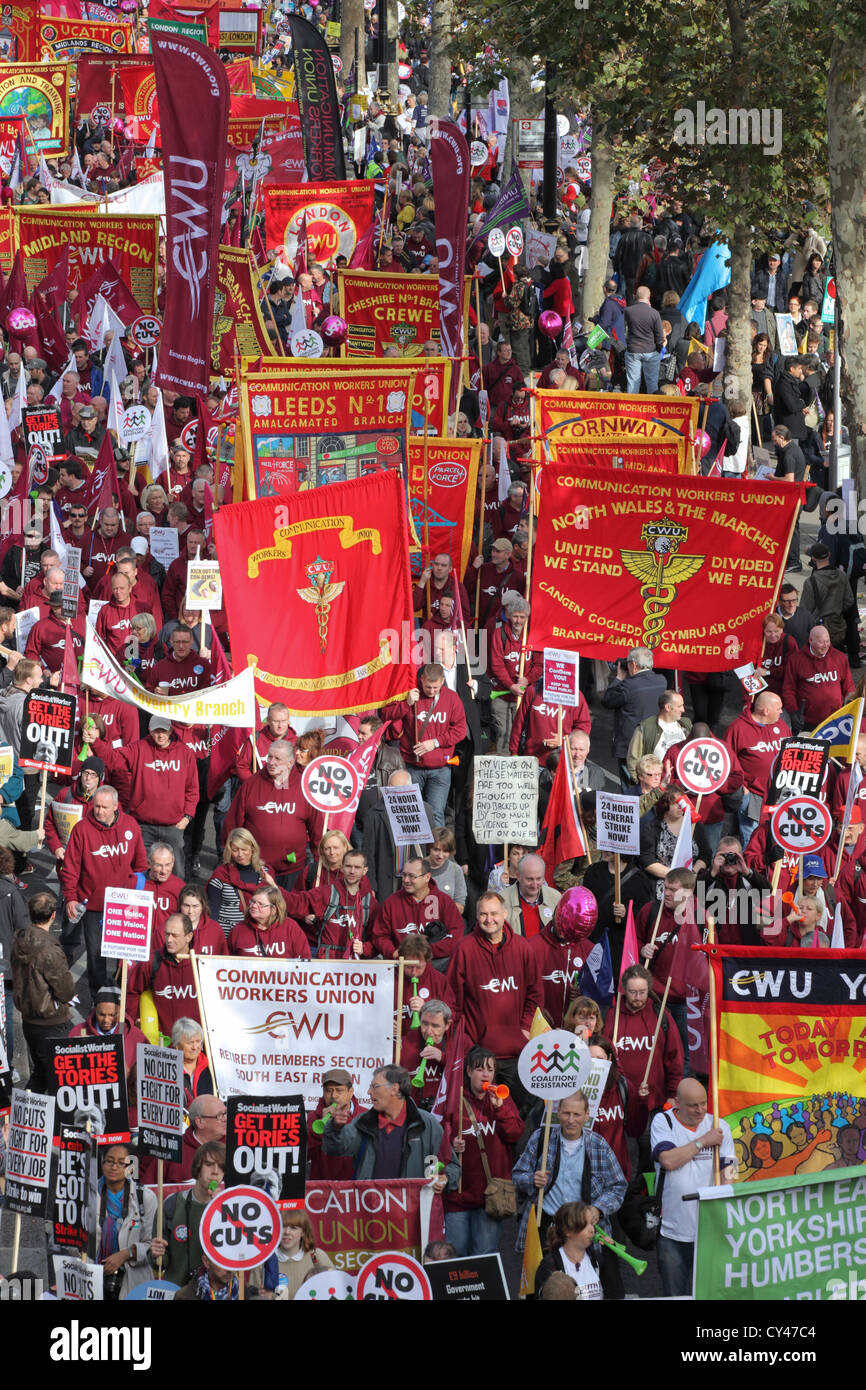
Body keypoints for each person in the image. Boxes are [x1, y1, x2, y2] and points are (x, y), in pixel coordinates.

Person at [513, 1090, 628, 1293]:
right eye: (566, 1113)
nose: (571, 1120)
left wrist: (598, 1209)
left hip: (585, 1229)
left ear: (586, 1116)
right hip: (548, 1229)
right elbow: (518, 1175)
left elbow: (618, 1186)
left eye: (577, 1115)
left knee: (596, 1287)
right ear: (558, 1113)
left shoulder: (598, 1145)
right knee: (545, 1289)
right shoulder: (542, 1138)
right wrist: (532, 1179)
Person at [447, 890, 543, 1105]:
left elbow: (535, 993)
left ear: (505, 914)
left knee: (517, 1115)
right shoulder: (464, 949)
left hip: (515, 1054)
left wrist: (526, 1026)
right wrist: (467, 1044)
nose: (489, 919)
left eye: (494, 913)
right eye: (483, 914)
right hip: (479, 1056)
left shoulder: (522, 948)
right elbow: (452, 1000)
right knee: (481, 1119)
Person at [60, 785, 148, 997]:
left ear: (116, 806)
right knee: (95, 956)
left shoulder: (131, 825)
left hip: (124, 905)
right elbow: (70, 867)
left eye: (105, 807)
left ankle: (124, 998)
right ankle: (98, 998)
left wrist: (138, 895)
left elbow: (141, 865)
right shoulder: (81, 829)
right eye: (97, 806)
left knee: (125, 957)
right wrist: (71, 898)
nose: (99, 811)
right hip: (94, 906)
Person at [651, 1078, 735, 1297]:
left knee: (711, 1293)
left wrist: (725, 1191)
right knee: (675, 1295)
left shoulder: (719, 1125)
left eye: (703, 1103)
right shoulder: (664, 1122)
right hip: (673, 1231)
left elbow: (730, 1172)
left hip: (710, 1232)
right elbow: (668, 1160)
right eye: (692, 1105)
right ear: (677, 1102)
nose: (700, 1110)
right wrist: (702, 1142)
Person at [84, 715, 198, 876]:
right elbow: (113, 759)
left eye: (164, 731)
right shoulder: (139, 748)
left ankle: (176, 900)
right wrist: (95, 742)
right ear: (149, 731)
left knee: (177, 872)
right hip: (143, 825)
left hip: (173, 826)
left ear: (171, 730)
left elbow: (192, 788)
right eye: (156, 731)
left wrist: (187, 816)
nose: (160, 735)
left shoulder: (185, 753)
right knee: (139, 871)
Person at [443, 1044, 524, 1256]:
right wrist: (452, 1145)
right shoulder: (454, 1101)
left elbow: (515, 1134)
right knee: (455, 1255)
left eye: (490, 1069)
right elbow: (439, 1141)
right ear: (469, 1071)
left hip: (490, 1197)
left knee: (484, 1255)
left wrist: (500, 1108)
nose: (485, 1073)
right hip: (458, 1196)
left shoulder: (503, 1100)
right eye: (480, 1069)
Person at [321, 1063, 458, 1187]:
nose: (369, 1092)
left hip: (412, 1212)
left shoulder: (427, 1124)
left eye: (374, 1086)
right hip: (371, 1209)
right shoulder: (363, 1121)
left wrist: (444, 1179)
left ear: (394, 1089)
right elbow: (334, 1149)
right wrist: (334, 1127)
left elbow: (452, 1167)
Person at [603, 964, 683, 1149]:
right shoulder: (609, 1016)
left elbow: (675, 1059)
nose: (638, 998)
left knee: (649, 1156)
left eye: (642, 992)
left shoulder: (660, 1016)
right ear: (623, 989)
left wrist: (673, 1095)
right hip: (618, 1104)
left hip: (652, 1106)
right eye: (632, 992)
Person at [381, 664, 467, 828]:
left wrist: (435, 743)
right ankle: (413, 853)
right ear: (422, 680)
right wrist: (406, 703)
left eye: (435, 687)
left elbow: (460, 730)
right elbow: (386, 715)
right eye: (428, 687)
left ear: (443, 681)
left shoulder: (451, 698)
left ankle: (438, 852)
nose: (431, 691)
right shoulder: (410, 694)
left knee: (435, 815)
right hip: (412, 766)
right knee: (409, 814)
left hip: (440, 769)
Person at [12, 890, 74, 1090]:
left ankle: (26, 1116)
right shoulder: (50, 951)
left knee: (40, 1071)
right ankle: (53, 1119)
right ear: (53, 915)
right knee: (60, 1079)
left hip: (29, 1020)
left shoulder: (19, 940)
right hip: (51, 1021)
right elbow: (65, 991)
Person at [149, 1141, 225, 1286]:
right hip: (177, 1291)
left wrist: (221, 1208)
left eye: (221, 1167)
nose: (215, 1171)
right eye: (209, 1164)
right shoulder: (171, 1205)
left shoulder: (228, 1208)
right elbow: (161, 1263)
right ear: (197, 1167)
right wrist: (155, 1253)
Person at [374, 855, 464, 965]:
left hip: (436, 967)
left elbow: (456, 936)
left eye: (412, 876)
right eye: (404, 875)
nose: (406, 880)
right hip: (401, 966)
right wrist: (393, 952)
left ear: (427, 877)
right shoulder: (391, 903)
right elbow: (379, 936)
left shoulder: (444, 901)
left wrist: (426, 952)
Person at [96, 1143, 156, 1301]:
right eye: (109, 1161)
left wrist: (126, 1254)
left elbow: (152, 1244)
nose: (114, 1167)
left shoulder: (145, 1198)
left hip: (132, 1283)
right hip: (94, 1279)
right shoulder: (88, 1195)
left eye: (121, 1163)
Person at [601, 647, 666, 789]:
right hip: (654, 745)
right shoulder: (662, 681)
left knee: (631, 791)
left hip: (630, 748)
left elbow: (607, 700)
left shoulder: (628, 686)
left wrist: (618, 678)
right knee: (652, 788)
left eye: (628, 662)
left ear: (634, 665)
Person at [534, 1201, 611, 1301]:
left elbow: (614, 1293)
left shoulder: (596, 1259)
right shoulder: (549, 1265)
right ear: (567, 1231)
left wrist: (610, 1253)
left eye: (592, 1224)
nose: (592, 1230)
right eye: (585, 1225)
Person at [783, 624, 854, 730]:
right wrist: (793, 712)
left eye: (828, 641)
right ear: (811, 641)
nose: (825, 645)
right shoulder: (796, 660)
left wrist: (851, 708)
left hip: (836, 720)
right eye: (821, 642)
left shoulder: (840, 657)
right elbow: (788, 689)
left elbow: (848, 686)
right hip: (807, 722)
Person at [207, 828, 274, 938]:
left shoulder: (266, 874)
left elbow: (274, 904)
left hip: (258, 936)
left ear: (252, 848)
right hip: (226, 935)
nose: (240, 854)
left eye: (244, 849)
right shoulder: (221, 874)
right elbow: (212, 910)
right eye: (235, 850)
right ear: (229, 851)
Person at [307, 1068, 364, 1180]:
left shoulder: (364, 1116)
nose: (333, 1096)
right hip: (323, 1188)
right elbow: (306, 1155)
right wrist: (325, 1126)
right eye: (328, 1091)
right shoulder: (313, 1117)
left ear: (350, 1092)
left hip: (355, 1189)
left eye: (339, 1090)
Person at [627, 688, 692, 782]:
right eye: (679, 706)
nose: (683, 710)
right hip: (657, 787)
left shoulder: (686, 724)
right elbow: (633, 759)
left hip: (681, 786)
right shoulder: (646, 728)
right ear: (668, 707)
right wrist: (640, 784)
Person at [228, 886, 310, 959]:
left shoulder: (290, 927)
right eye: (253, 902)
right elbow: (227, 961)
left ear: (273, 909)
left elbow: (304, 959)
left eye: (260, 904)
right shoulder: (239, 929)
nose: (253, 906)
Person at [274, 1211, 334, 1298]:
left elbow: (335, 1290)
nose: (287, 1232)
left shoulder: (316, 1256)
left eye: (293, 1228)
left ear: (303, 1232)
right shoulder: (265, 1262)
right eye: (283, 1226)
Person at [501, 852, 561, 938]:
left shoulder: (555, 898)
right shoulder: (502, 900)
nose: (534, 884)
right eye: (529, 879)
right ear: (518, 876)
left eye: (539, 879)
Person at [623, 286, 664, 393]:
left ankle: (631, 408)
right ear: (649, 297)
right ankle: (652, 407)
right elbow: (660, 336)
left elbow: (623, 330)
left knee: (633, 383)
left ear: (636, 296)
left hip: (633, 350)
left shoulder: (628, 311)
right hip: (650, 351)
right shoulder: (655, 313)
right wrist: (658, 349)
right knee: (652, 383)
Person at [171, 1016, 214, 1109]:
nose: (195, 1047)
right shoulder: (168, 1069)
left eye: (198, 1041)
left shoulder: (211, 1067)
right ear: (177, 1045)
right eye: (189, 1042)